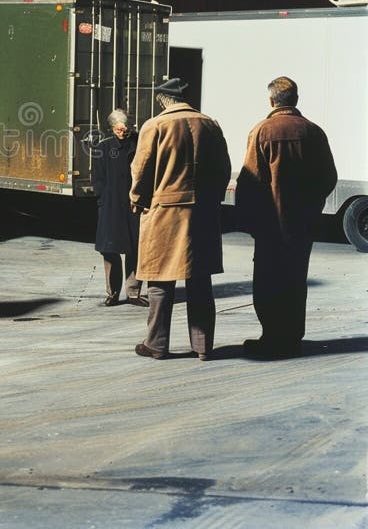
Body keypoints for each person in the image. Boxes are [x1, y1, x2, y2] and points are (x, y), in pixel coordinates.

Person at [129, 78, 230, 361]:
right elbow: (224, 169)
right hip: (203, 213)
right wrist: (211, 199)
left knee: (160, 281)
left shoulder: (155, 126)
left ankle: (157, 345)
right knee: (200, 280)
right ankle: (203, 347)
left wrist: (137, 198)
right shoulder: (210, 124)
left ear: (163, 100)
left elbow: (141, 169)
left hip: (164, 213)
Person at [236, 76, 337, 359]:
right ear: (295, 99)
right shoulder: (314, 132)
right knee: (295, 279)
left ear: (271, 101)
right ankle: (292, 337)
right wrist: (312, 206)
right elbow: (329, 177)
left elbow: (249, 180)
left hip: (270, 225)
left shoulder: (262, 131)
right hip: (302, 224)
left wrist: (250, 220)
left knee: (268, 280)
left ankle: (272, 337)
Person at [92, 109, 147, 307]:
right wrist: (103, 198)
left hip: (134, 204)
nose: (122, 132)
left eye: (125, 129)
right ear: (112, 128)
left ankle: (133, 292)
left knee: (135, 249)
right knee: (111, 250)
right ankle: (113, 292)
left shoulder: (139, 144)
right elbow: (97, 179)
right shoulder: (104, 148)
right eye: (118, 129)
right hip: (111, 205)